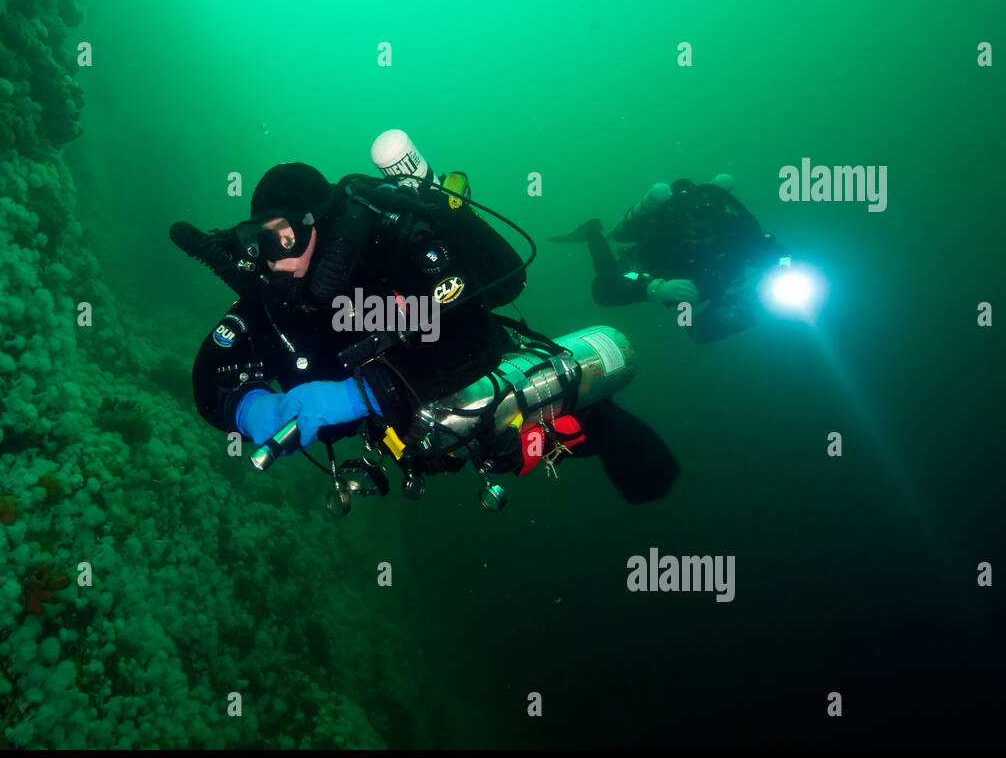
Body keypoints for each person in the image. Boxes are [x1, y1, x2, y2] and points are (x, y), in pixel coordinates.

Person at [178, 160, 679, 506]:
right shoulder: (278, 289)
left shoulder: (392, 241)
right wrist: (250, 407)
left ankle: (623, 444)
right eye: (260, 241)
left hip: (486, 384)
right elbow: (213, 368)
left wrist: (355, 397)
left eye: (285, 236)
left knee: (593, 432)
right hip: (415, 430)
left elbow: (468, 331)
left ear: (321, 224)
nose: (274, 257)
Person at [551, 174, 789, 343]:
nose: (702, 233)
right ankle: (593, 232)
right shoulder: (662, 235)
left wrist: (785, 267)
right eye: (695, 228)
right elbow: (627, 272)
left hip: (710, 286)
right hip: (656, 274)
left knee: (702, 333)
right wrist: (654, 287)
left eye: (708, 226)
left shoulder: (730, 229)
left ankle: (738, 310)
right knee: (605, 292)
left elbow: (775, 252)